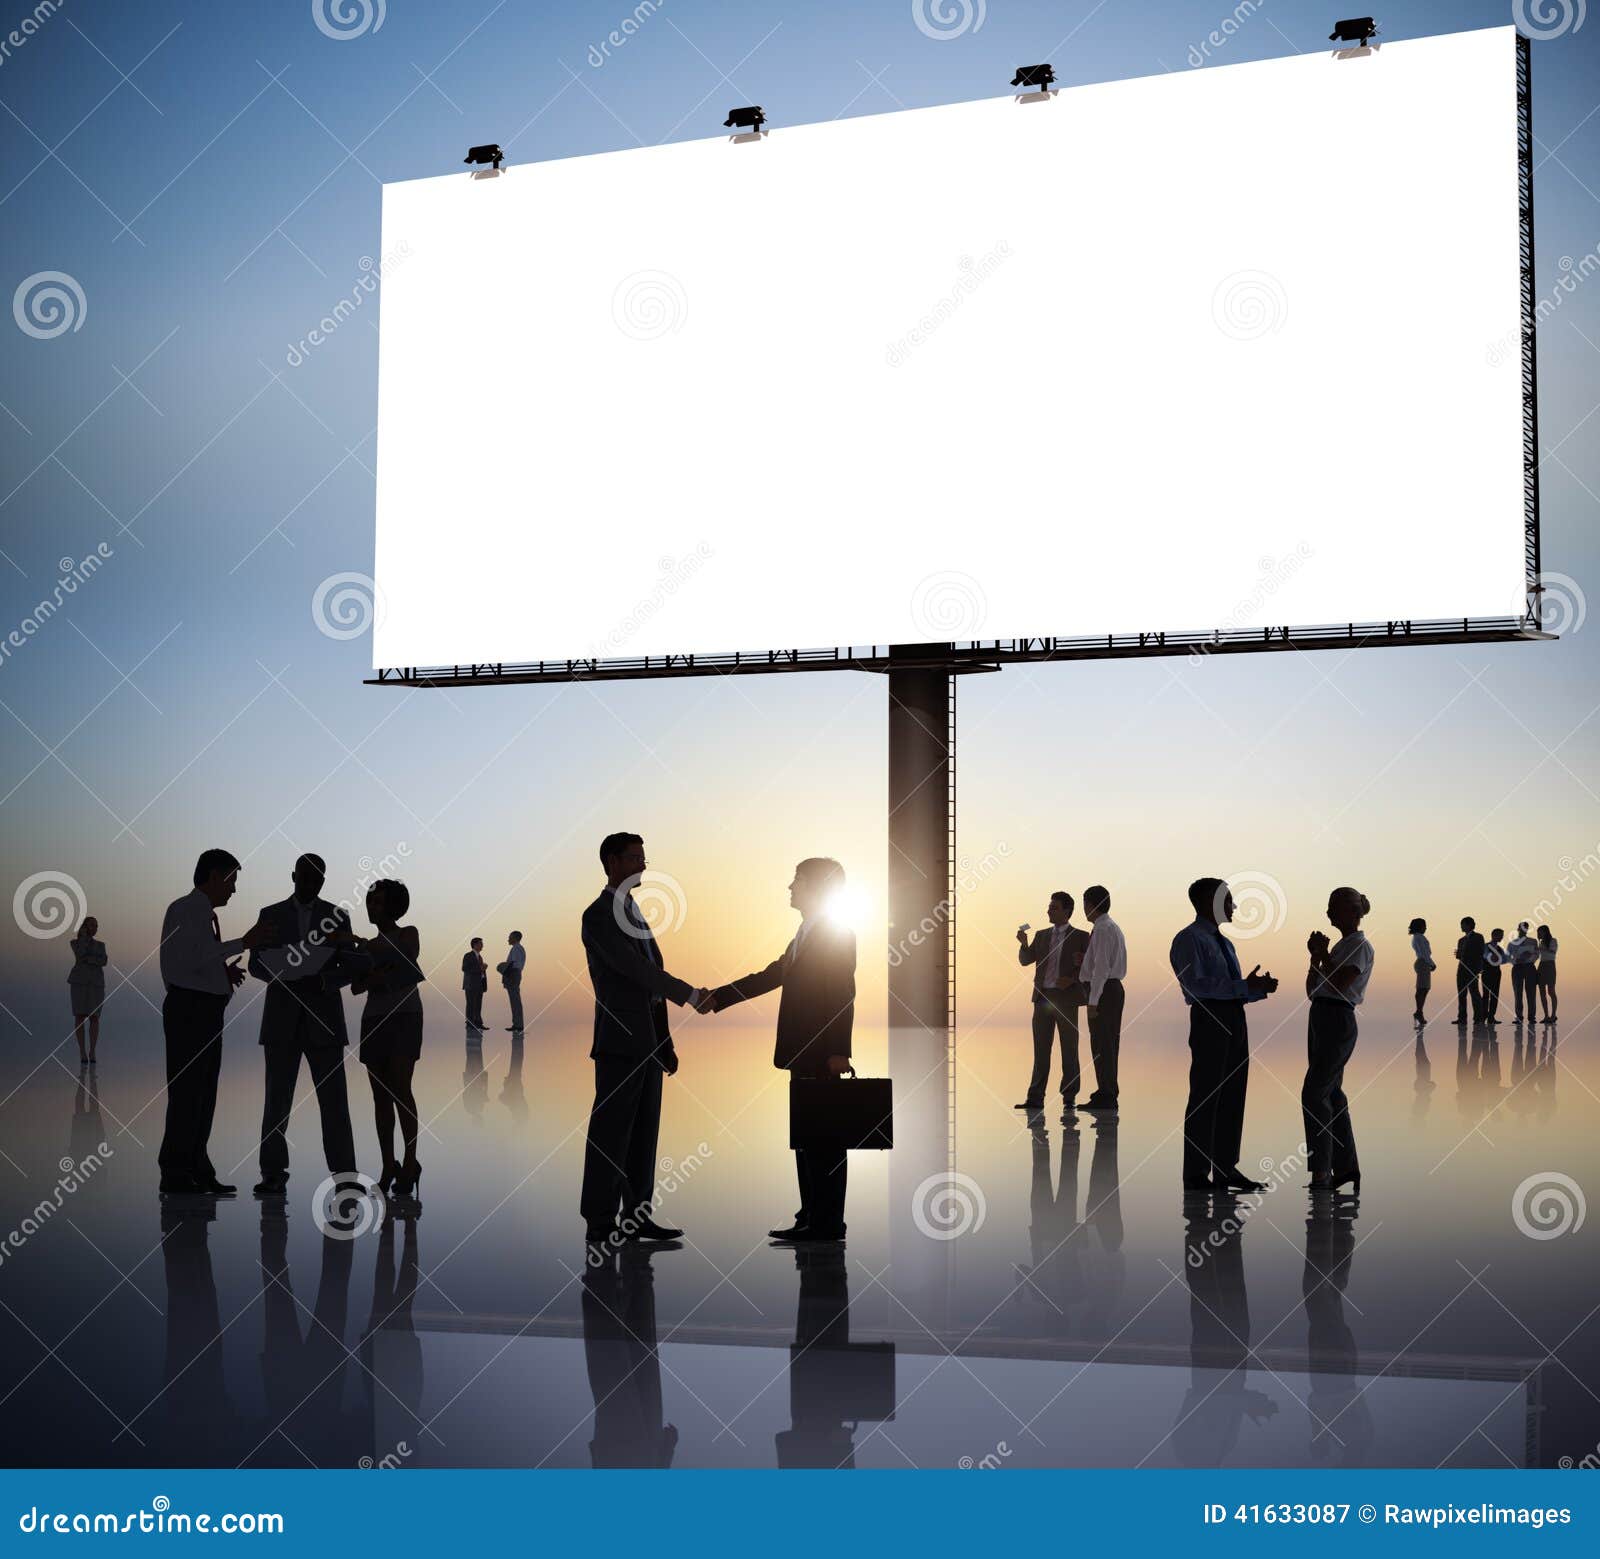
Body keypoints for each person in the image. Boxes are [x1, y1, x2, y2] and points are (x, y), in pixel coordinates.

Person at [703, 858, 857, 1243]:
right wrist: (718, 998)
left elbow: (843, 995)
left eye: (797, 881)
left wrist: (839, 1050)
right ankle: (810, 1216)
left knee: (825, 1140)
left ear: (817, 887)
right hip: (802, 1052)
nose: (790, 887)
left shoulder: (836, 933)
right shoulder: (805, 934)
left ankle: (827, 1223)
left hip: (821, 1054)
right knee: (806, 1137)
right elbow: (771, 976)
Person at [578, 833, 706, 1251]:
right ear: (612, 861)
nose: (643, 866)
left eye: (644, 858)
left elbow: (650, 986)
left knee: (643, 1134)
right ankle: (600, 1221)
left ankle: (635, 1219)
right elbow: (635, 970)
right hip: (619, 1041)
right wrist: (689, 993)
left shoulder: (636, 915)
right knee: (611, 1133)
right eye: (635, 858)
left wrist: (664, 1043)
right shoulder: (598, 916)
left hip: (648, 1043)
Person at [157, 848, 273, 1197]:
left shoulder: (199, 912)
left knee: (204, 1093)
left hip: (204, 1011)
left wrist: (222, 973)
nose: (233, 890)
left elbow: (197, 958)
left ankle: (196, 1168)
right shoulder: (186, 909)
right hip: (190, 1011)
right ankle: (176, 1172)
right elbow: (192, 956)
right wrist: (244, 942)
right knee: (187, 1092)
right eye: (231, 880)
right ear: (213, 876)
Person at [250, 854, 359, 1199]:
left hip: (323, 1022)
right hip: (282, 1021)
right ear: (293, 875)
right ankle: (272, 1174)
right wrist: (280, 972)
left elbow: (350, 965)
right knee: (276, 1102)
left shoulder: (337, 917)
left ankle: (344, 1175)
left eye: (316, 879)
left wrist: (323, 981)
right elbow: (255, 963)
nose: (309, 883)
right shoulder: (270, 915)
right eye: (304, 877)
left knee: (335, 1103)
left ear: (323, 882)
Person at [1169, 878, 1278, 1192]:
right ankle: (1197, 1175)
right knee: (1206, 1095)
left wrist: (1254, 988)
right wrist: (1244, 987)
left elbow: (1232, 991)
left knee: (1232, 1093)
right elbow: (1196, 986)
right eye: (1228, 898)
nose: (1234, 905)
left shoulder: (1226, 943)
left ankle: (1226, 1169)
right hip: (1209, 1019)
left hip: (1233, 1018)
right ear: (1208, 900)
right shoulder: (1189, 939)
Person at [353, 880, 426, 1200]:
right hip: (373, 1019)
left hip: (404, 1017)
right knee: (380, 1097)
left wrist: (368, 957)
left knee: (400, 1088)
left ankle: (410, 1161)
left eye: (379, 903)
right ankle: (388, 1164)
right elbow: (357, 986)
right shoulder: (367, 945)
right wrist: (372, 969)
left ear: (394, 906)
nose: (372, 908)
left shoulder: (407, 932)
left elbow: (406, 953)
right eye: (370, 902)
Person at [1302, 887, 1373, 1196]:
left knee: (1314, 1094)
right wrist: (1315, 959)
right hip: (1320, 1016)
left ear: (1353, 912)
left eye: (1335, 907)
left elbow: (1342, 985)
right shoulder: (1342, 946)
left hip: (1337, 1019)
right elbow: (1313, 988)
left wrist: (1322, 956)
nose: (1328, 913)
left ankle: (1322, 1171)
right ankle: (1345, 1167)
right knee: (1331, 1094)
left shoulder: (1360, 946)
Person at [1014, 892, 1090, 1111]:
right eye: (1049, 906)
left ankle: (1069, 1097)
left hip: (1066, 1000)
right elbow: (1025, 960)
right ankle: (1035, 1098)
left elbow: (1088, 967)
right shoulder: (1041, 935)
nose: (1048, 910)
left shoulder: (1081, 937)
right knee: (1041, 1050)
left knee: (1069, 1049)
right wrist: (1024, 943)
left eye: (1054, 907)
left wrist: (1073, 979)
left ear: (1067, 910)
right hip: (1042, 999)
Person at [1079, 885, 1126, 1114]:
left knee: (1102, 1043)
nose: (1084, 908)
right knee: (1106, 1043)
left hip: (1104, 991)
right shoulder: (1108, 927)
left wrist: (1093, 1001)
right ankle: (1105, 1090)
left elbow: (1101, 969)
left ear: (1092, 905)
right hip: (1109, 990)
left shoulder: (1104, 929)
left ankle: (1107, 1095)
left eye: (1085, 903)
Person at [68, 915, 107, 1066]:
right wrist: (83, 938)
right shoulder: (75, 943)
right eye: (91, 925)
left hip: (96, 984)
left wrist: (89, 959)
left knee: (95, 1017)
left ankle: (92, 1050)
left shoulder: (101, 945)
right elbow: (80, 955)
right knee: (79, 1016)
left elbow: (103, 960)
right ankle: (82, 1051)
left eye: (96, 925)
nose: (95, 928)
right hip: (79, 982)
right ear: (84, 927)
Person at [1453, 916, 1485, 1025]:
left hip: (1472, 969)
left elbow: (1481, 953)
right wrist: (1458, 955)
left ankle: (1478, 1018)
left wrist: (1479, 968)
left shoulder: (1478, 937)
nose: (1461, 927)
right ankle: (1462, 1018)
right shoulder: (1460, 940)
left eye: (1463, 924)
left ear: (1469, 925)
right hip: (1461, 969)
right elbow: (1460, 956)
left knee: (1474, 993)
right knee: (1461, 994)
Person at [1507, 922, 1539, 1023]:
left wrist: (1527, 960)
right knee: (1518, 993)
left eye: (1525, 928)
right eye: (1521, 928)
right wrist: (1516, 961)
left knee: (1531, 993)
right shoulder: (1512, 943)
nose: (1523, 930)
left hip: (1529, 967)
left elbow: (1537, 954)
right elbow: (1508, 957)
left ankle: (1531, 1017)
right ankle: (1519, 1016)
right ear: (1518, 929)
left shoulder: (1533, 941)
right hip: (1517, 968)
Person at [1408, 917, 1433, 1027]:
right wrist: (1431, 963)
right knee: (1422, 988)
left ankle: (1419, 1011)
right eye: (1424, 925)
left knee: (1424, 988)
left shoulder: (1417, 937)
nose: (1426, 927)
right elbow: (1424, 953)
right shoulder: (1419, 938)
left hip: (1423, 962)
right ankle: (1419, 1012)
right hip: (1423, 962)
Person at [499, 931, 526, 1034]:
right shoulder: (517, 948)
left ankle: (518, 1025)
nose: (508, 939)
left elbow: (513, 964)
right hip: (515, 974)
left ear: (515, 938)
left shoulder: (516, 949)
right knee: (515, 1000)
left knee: (515, 1000)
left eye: (510, 937)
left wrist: (502, 967)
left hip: (513, 975)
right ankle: (517, 1024)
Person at [1481, 928, 1507, 1025]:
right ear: (1494, 935)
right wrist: (1495, 958)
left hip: (1497, 972)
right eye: (1500, 935)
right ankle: (1483, 1016)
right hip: (1487, 972)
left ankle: (1491, 1017)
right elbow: (1486, 956)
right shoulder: (1485, 946)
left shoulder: (1500, 949)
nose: (1501, 937)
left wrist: (1496, 959)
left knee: (1495, 995)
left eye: (1502, 935)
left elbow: (1504, 960)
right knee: (1486, 995)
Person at [461, 937, 488, 1032]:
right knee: (471, 1004)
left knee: (478, 1005)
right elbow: (464, 968)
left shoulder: (480, 957)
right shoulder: (468, 955)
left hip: (479, 985)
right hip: (471, 985)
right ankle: (470, 1024)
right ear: (475, 944)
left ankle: (478, 1023)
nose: (482, 945)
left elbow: (481, 971)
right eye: (481, 943)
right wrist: (480, 968)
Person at [1536, 924, 1558, 1023]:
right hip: (1541, 965)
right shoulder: (1540, 942)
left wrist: (1541, 948)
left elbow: (1553, 952)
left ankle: (1553, 1015)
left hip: (1550, 965)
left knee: (1551, 991)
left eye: (1540, 932)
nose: (1539, 934)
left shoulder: (1553, 940)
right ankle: (1546, 1015)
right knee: (1541, 991)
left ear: (1545, 932)